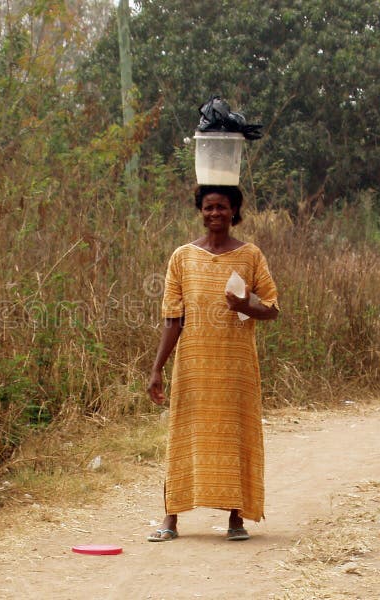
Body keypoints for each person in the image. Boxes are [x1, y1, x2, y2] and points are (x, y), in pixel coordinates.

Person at [146, 184, 279, 542]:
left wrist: (243, 306)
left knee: (236, 433)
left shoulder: (250, 256)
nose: (215, 213)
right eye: (209, 207)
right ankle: (170, 519)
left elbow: (272, 308)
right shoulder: (182, 257)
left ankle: (236, 519)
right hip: (193, 364)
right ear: (200, 211)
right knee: (185, 434)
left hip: (236, 366)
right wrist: (157, 368)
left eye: (222, 207)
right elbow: (173, 318)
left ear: (234, 210)